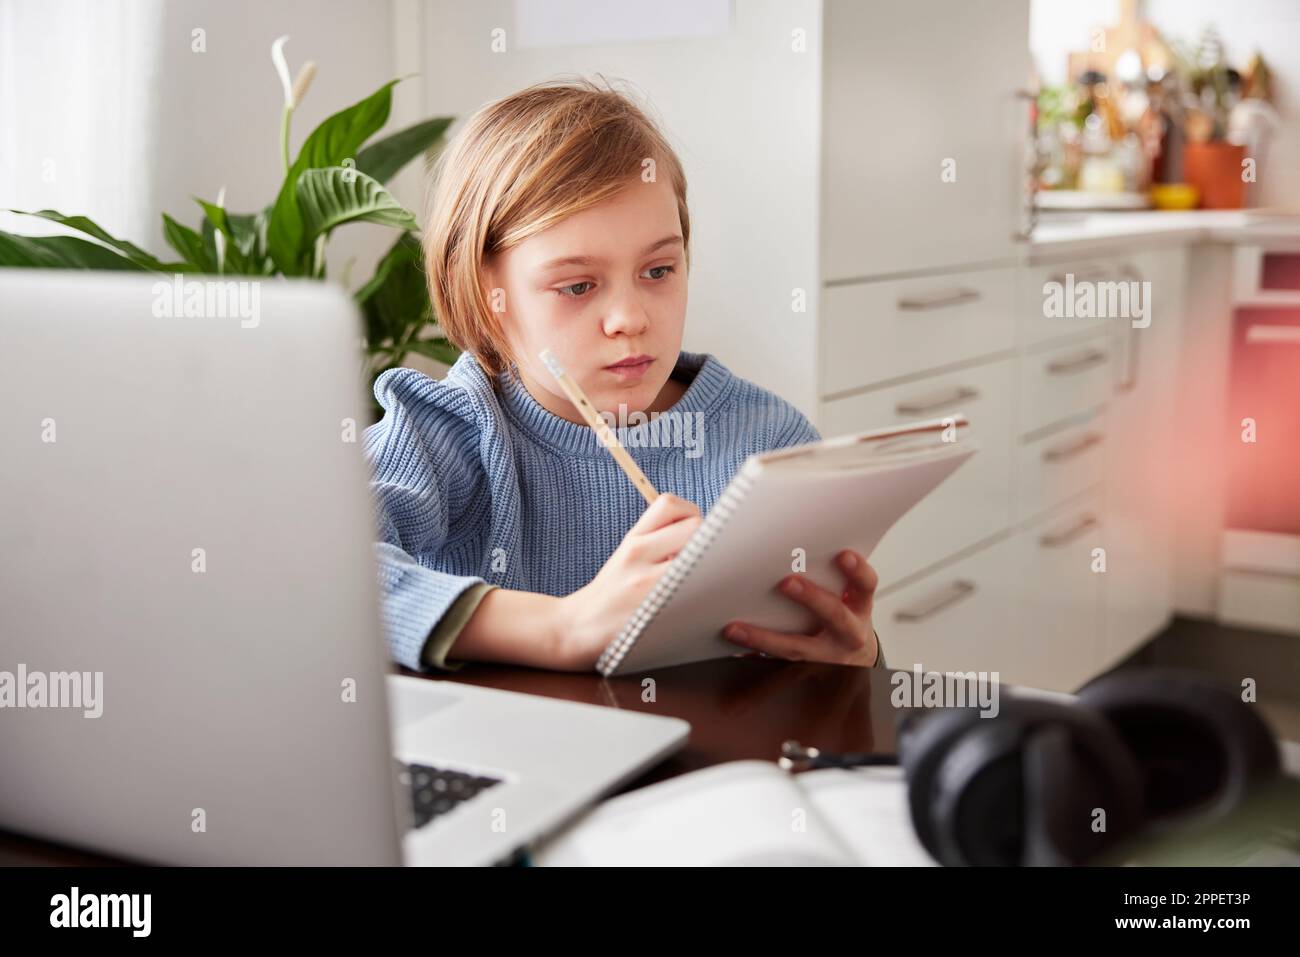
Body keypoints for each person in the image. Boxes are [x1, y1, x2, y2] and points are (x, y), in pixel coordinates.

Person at [363, 77, 883, 673]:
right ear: (488, 291)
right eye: (578, 285)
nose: (630, 319)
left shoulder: (769, 444)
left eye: (659, 270)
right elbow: (312, 564)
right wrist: (561, 628)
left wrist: (857, 660)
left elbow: (816, 698)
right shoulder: (446, 432)